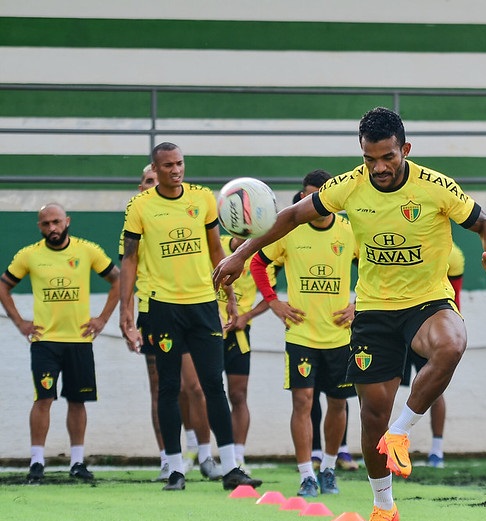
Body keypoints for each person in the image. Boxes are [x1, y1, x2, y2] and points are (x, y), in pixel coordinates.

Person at [213, 107, 486, 521]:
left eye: (388, 157)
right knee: (372, 416)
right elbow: (293, 216)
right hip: (373, 308)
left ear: (405, 149)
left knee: (452, 343)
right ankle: (384, 507)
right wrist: (241, 254)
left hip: (426, 300)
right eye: (370, 158)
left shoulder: (436, 187)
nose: (379, 167)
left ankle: (403, 431)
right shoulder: (350, 185)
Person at [119, 141, 262, 491]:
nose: (175, 170)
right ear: (156, 166)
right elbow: (130, 259)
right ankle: (174, 469)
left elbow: (217, 250)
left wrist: (229, 298)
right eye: (167, 165)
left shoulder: (201, 199)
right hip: (161, 308)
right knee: (168, 388)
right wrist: (126, 310)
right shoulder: (140, 206)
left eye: (179, 163)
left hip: (202, 305)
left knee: (214, 385)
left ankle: (230, 467)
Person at [249, 170, 358, 497]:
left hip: (339, 336)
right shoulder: (289, 230)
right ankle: (306, 475)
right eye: (308, 196)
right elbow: (257, 263)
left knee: (338, 405)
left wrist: (359, 305)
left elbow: (374, 268)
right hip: (300, 336)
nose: (313, 202)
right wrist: (272, 302)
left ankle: (328, 468)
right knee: (303, 401)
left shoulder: (350, 230)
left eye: (319, 196)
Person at [0, 203, 120, 483]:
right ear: (39, 227)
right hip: (45, 341)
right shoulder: (29, 255)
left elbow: (118, 279)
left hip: (79, 340)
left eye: (56, 222)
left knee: (77, 400)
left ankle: (77, 462)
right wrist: (20, 322)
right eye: (46, 224)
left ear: (67, 221)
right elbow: (4, 285)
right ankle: (37, 463)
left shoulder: (86, 250)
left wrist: (102, 319)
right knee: (43, 398)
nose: (52, 228)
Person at [121, 164, 222, 482]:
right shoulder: (136, 222)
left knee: (194, 386)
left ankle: (204, 454)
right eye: (148, 181)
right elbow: (129, 269)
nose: (154, 184)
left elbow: (211, 251)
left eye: (157, 178)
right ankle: (169, 460)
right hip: (155, 311)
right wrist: (129, 317)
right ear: (142, 188)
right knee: (161, 388)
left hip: (190, 310)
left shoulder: (192, 209)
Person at [400, 242, 465, 468]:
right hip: (394, 320)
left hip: (426, 324)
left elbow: (454, 300)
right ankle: (381, 446)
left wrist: (450, 332)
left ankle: (437, 450)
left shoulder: (453, 254)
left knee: (434, 389)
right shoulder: (401, 242)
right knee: (381, 390)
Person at [217, 233, 271, 471]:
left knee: (238, 395)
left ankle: (238, 456)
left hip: (238, 334)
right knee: (197, 392)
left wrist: (246, 316)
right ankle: (197, 452)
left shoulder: (259, 257)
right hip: (208, 332)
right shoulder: (215, 245)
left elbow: (270, 298)